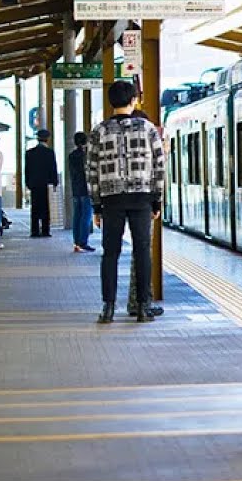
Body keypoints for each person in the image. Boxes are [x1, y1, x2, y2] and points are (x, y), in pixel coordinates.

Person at [88, 81, 165, 323]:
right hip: (142, 197)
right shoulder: (148, 128)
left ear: (111, 103)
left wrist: (96, 206)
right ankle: (143, 307)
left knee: (110, 253)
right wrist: (157, 201)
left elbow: (91, 170)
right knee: (142, 252)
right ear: (133, 100)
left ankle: (108, 308)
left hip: (112, 199)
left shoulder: (99, 131)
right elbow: (159, 167)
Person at [126, 110, 164, 317]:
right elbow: (158, 173)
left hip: (122, 201)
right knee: (142, 254)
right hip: (143, 203)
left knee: (136, 254)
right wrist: (156, 203)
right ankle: (141, 302)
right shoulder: (148, 140)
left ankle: (134, 302)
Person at [25, 128, 58, 238]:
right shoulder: (49, 152)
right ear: (48, 139)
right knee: (45, 207)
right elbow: (53, 168)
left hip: (34, 183)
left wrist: (28, 182)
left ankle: (34, 231)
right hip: (45, 184)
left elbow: (27, 169)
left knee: (34, 207)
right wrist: (54, 182)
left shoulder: (29, 153)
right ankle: (45, 230)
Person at [69, 132, 95, 254]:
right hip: (86, 189)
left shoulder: (72, 155)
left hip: (76, 189)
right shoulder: (87, 156)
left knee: (77, 216)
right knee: (86, 216)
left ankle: (76, 242)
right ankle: (83, 242)